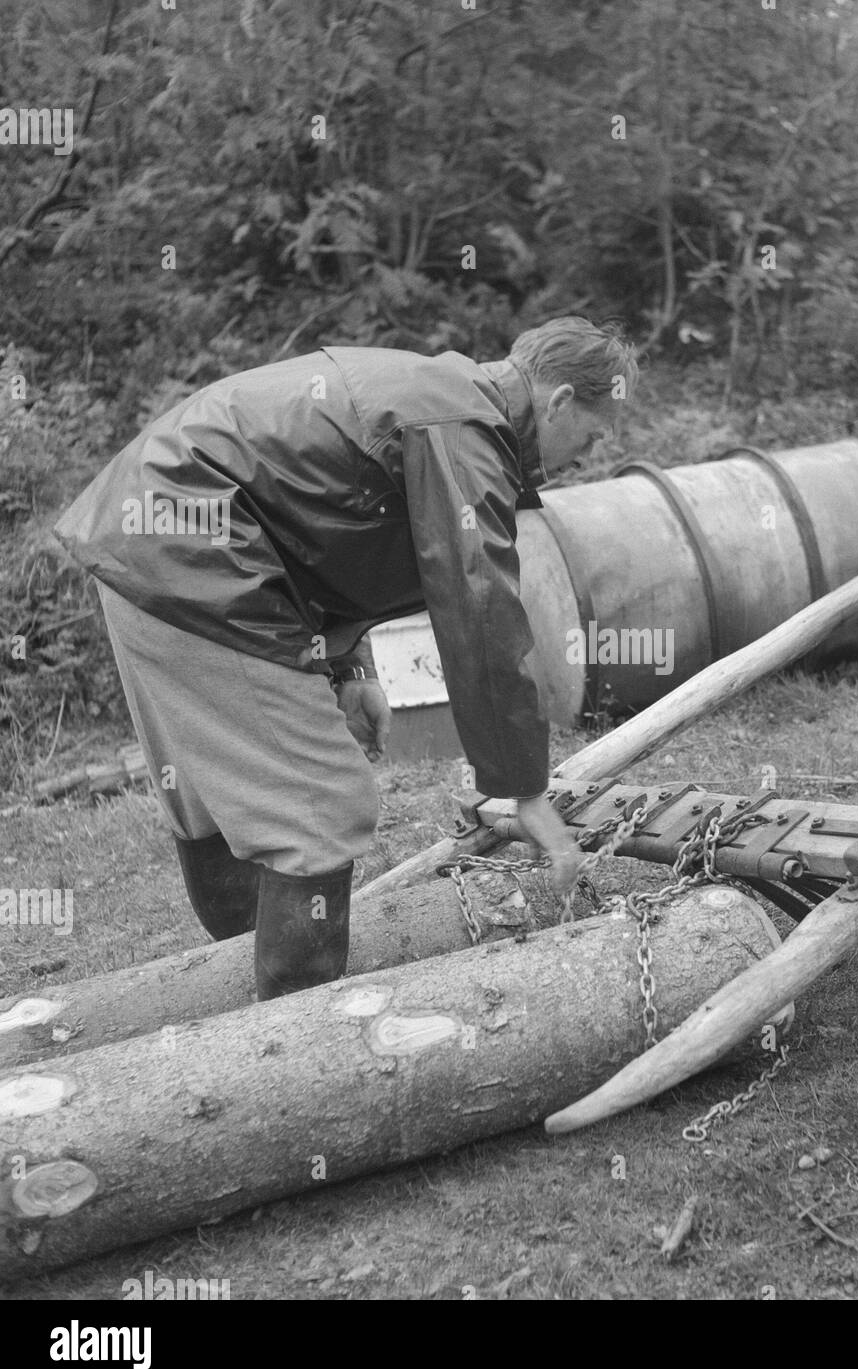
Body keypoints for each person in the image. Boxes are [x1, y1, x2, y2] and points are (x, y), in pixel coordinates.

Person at [54, 316, 638, 999]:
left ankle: (239, 999)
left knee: (216, 797)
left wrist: (353, 665)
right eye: (592, 435)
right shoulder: (463, 430)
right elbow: (478, 610)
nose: (587, 456)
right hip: (191, 559)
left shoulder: (441, 400)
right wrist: (525, 789)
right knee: (324, 808)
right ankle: (295, 1044)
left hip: (148, 547)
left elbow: (326, 529)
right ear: (561, 400)